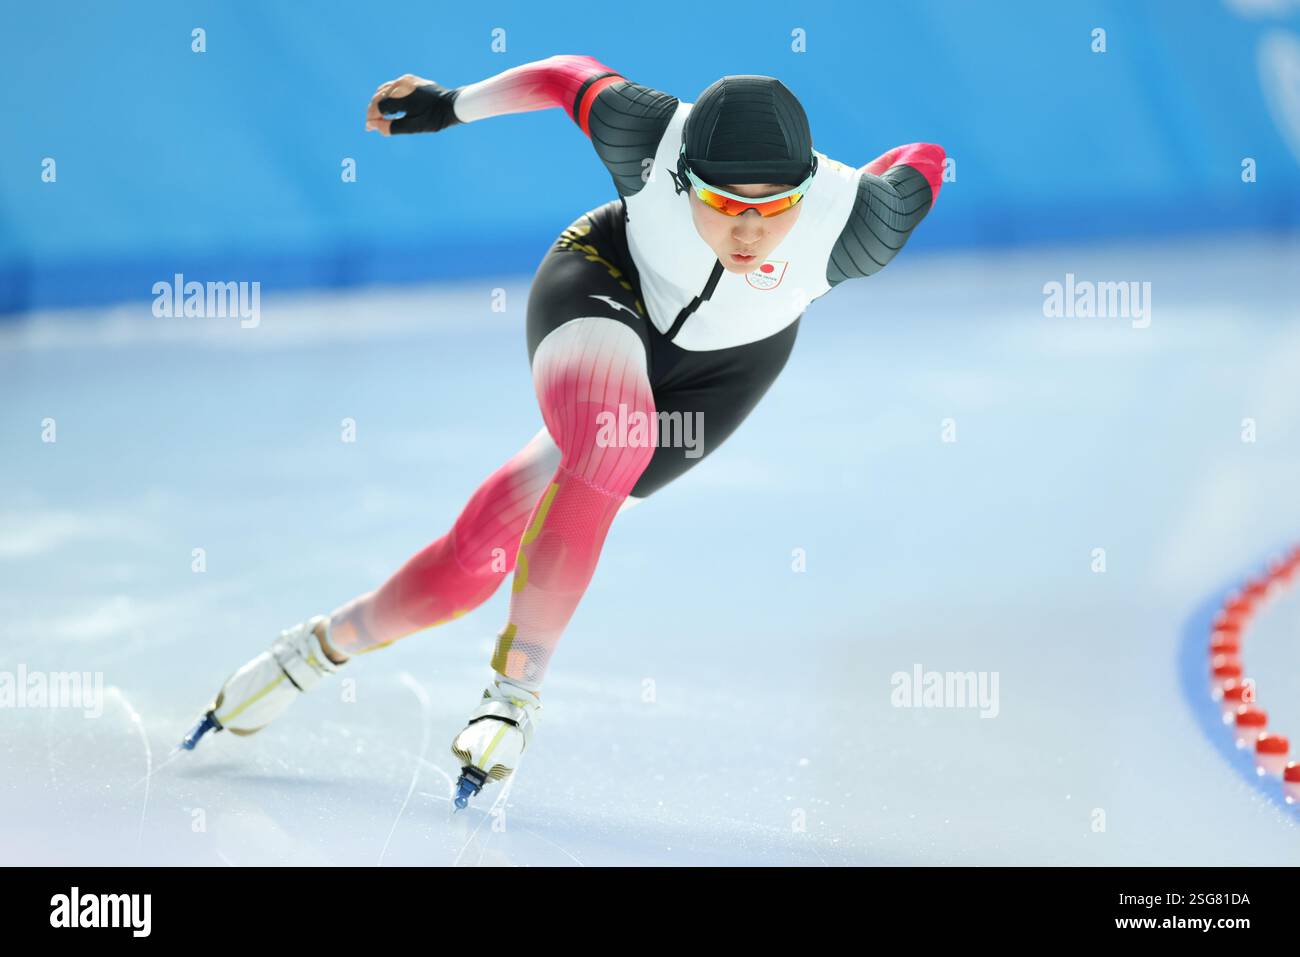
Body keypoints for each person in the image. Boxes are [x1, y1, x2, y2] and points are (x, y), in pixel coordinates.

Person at [183, 55, 945, 811]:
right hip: (604, 279)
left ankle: (313, 649)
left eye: (774, 207)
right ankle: (514, 694)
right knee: (615, 439)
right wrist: (450, 105)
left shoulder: (860, 221)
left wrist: (863, 179)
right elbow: (563, 76)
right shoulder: (648, 135)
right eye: (722, 202)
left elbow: (925, 162)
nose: (748, 231)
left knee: (477, 555)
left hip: (723, 374)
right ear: (681, 175)